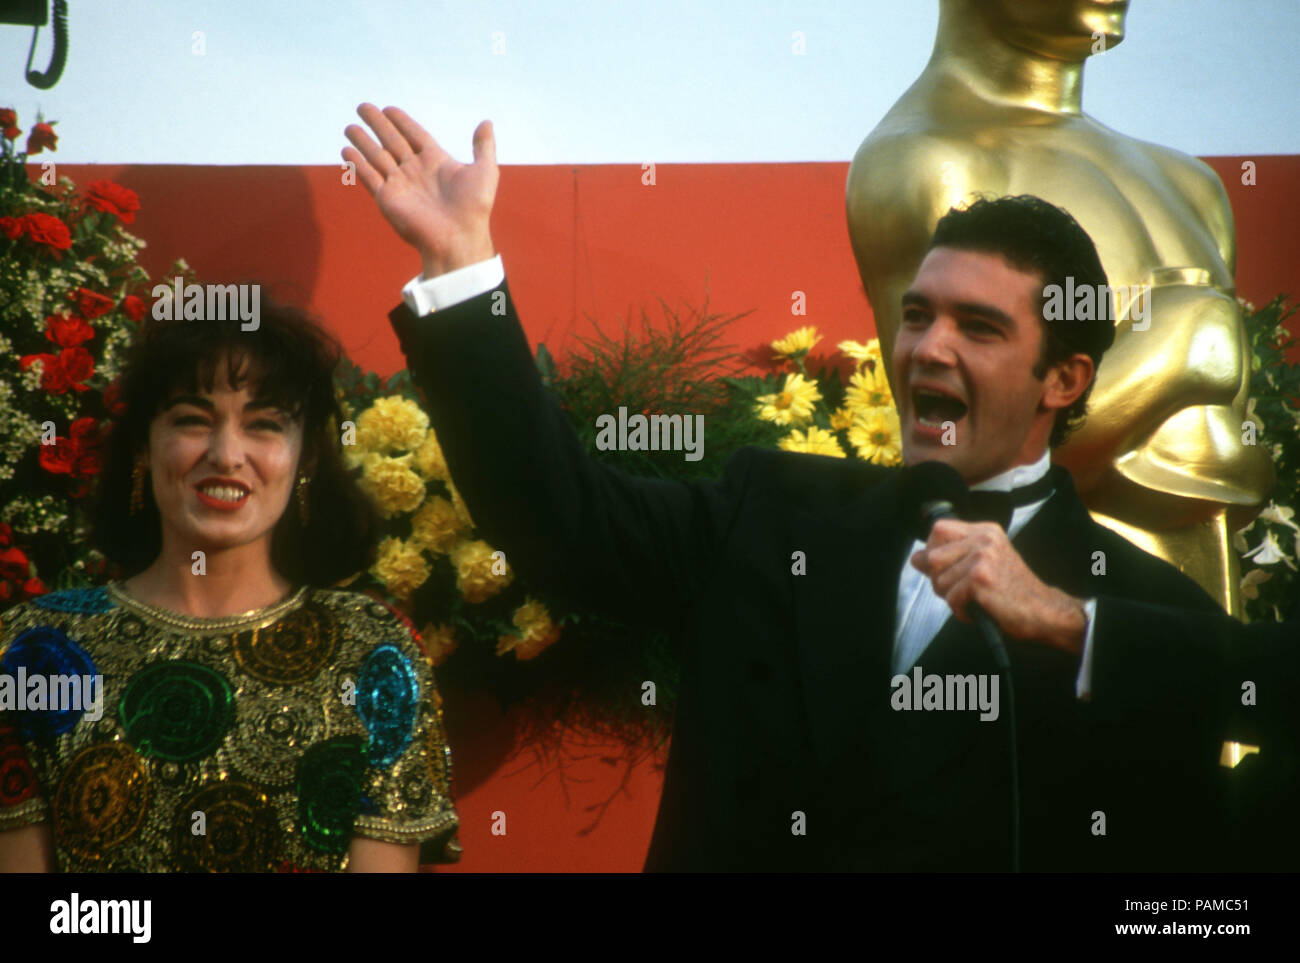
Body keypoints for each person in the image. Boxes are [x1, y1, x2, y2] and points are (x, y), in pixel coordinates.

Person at [342, 104, 1294, 871]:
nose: (928, 346)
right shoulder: (769, 510)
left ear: (1065, 379)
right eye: (918, 315)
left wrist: (1064, 623)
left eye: (979, 326)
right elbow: (555, 511)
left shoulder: (1138, 612)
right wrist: (462, 267)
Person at [0, 297, 460, 872]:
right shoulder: (37, 648)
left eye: (265, 425)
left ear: (306, 457)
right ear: (144, 447)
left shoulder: (372, 651)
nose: (225, 455)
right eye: (192, 420)